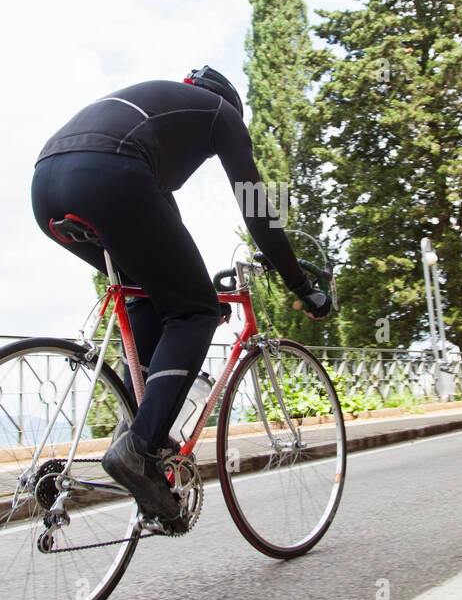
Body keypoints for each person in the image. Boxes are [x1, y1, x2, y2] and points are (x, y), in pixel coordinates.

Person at [31, 65, 331, 529]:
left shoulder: (155, 119)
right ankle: (139, 450)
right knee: (196, 313)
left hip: (47, 182)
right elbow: (257, 211)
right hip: (109, 175)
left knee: (155, 296)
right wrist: (302, 286)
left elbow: (167, 244)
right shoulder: (221, 114)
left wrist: (193, 284)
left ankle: (143, 436)